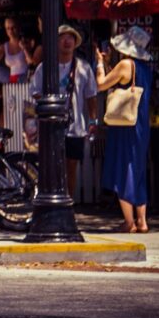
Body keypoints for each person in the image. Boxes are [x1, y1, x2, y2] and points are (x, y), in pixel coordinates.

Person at [30, 24, 99, 198]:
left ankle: (69, 201)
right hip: (51, 126)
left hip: (75, 126)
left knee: (71, 166)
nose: (67, 41)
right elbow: (35, 92)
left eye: (70, 38)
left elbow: (91, 96)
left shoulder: (83, 67)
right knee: (52, 165)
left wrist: (93, 120)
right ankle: (52, 198)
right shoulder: (45, 67)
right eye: (62, 37)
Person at [96, 26, 153, 233]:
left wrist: (100, 63)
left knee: (123, 168)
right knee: (137, 170)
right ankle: (142, 221)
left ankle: (129, 222)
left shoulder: (125, 64)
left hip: (124, 125)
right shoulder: (145, 67)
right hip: (140, 124)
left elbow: (101, 84)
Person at [0, 18, 30, 83]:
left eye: (13, 28)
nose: (11, 31)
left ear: (19, 28)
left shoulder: (26, 43)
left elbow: (31, 61)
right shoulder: (4, 46)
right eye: (8, 28)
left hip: (24, 78)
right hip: (12, 78)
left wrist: (24, 48)